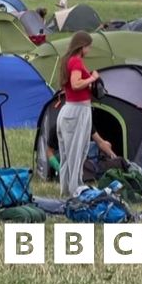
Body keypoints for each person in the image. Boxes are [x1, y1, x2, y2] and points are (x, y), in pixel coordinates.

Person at [57, 32, 100, 196]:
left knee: (68, 154)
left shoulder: (67, 60)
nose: (89, 50)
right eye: (88, 47)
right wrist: (92, 78)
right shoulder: (76, 61)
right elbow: (75, 84)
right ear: (82, 46)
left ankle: (67, 188)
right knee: (76, 152)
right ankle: (74, 190)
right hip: (77, 111)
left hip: (70, 109)